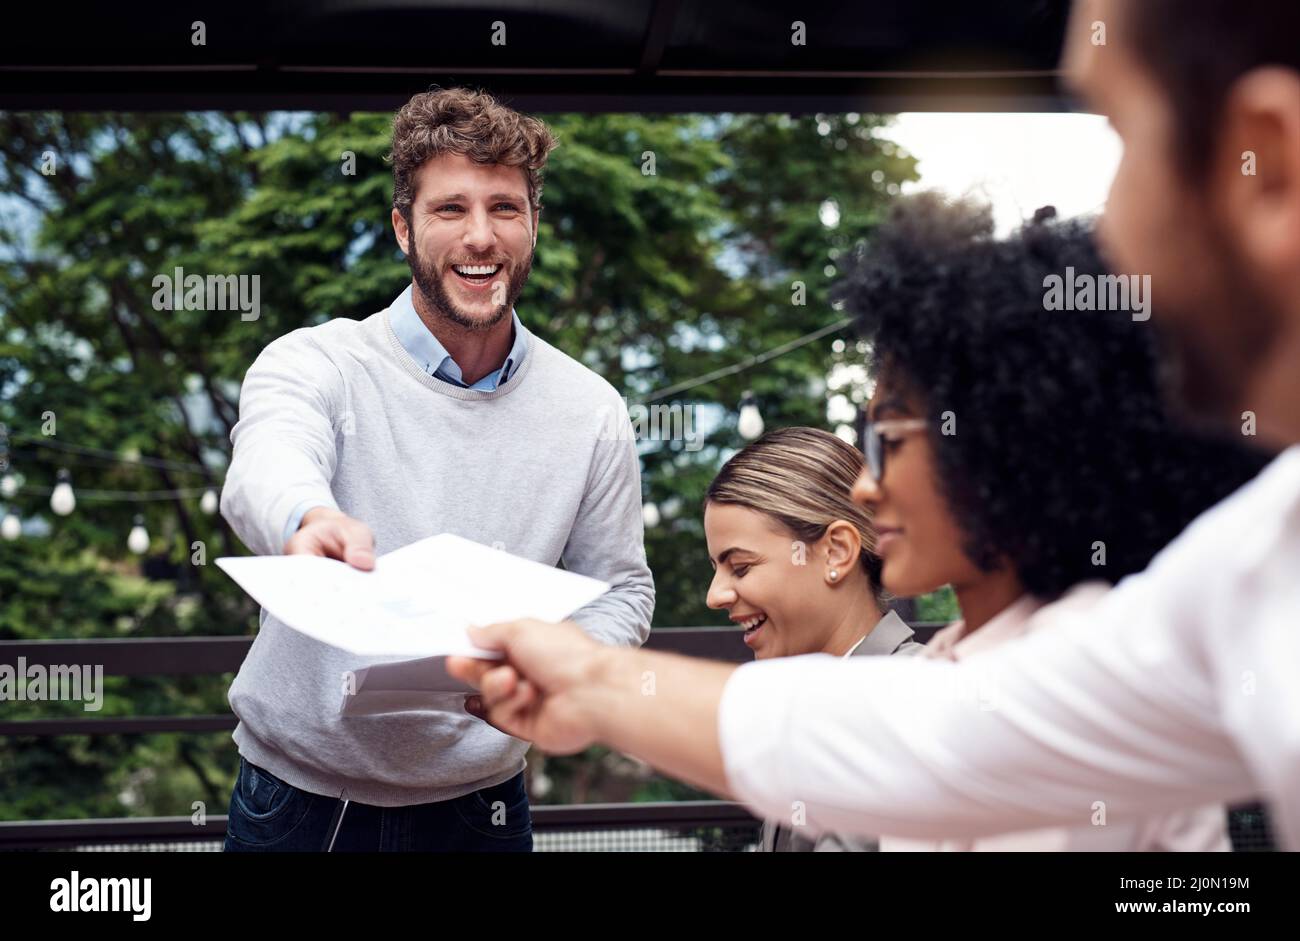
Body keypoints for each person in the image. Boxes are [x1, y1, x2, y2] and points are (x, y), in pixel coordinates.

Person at [448, 0, 1300, 848]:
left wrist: (594, 681)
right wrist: (590, 680)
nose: (1112, 228)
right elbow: (926, 738)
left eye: (1120, 130)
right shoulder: (1231, 583)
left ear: (1269, 160)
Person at [219, 88, 655, 852]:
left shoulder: (592, 408)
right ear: (403, 227)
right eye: (450, 208)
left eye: (505, 209)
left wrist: (569, 667)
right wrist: (305, 518)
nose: (480, 238)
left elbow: (622, 584)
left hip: (480, 808)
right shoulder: (316, 361)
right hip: (297, 804)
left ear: (534, 225)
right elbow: (270, 455)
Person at [842, 195, 1269, 850]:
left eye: (888, 440)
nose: (864, 486)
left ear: (1004, 444)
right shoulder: (953, 656)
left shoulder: (1079, 660)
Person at [704, 426, 922, 850]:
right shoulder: (812, 700)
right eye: (716, 568)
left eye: (742, 567)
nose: (715, 596)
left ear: (837, 551)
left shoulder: (907, 703)